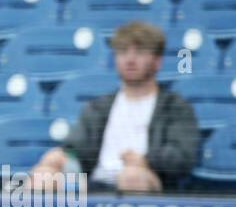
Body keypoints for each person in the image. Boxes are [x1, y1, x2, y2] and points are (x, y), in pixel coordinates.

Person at [30, 20, 199, 193]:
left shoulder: (175, 107)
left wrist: (146, 160)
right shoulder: (99, 106)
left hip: (146, 179)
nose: (130, 59)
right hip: (93, 183)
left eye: (139, 52)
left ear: (157, 61)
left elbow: (183, 157)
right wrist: (61, 156)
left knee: (131, 177)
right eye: (123, 52)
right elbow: (76, 149)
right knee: (42, 176)